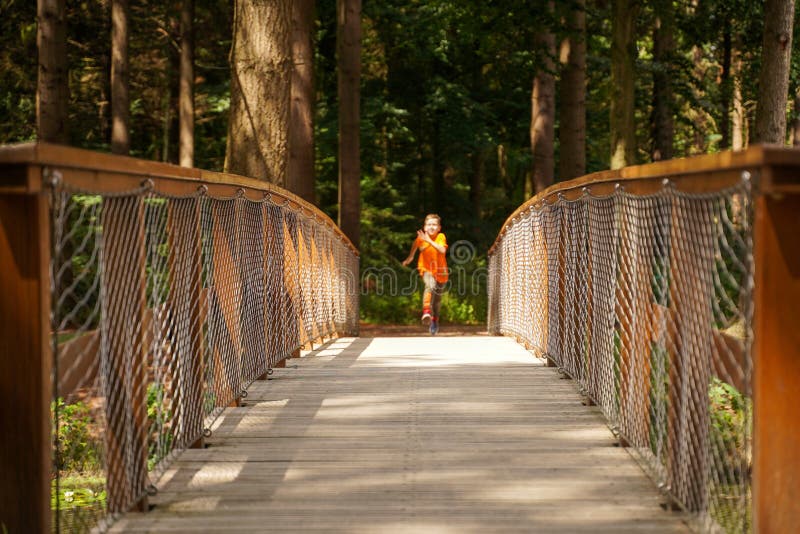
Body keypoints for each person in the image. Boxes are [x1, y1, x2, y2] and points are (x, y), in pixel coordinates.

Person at [402, 213, 448, 335]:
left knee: (437, 301)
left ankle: (435, 320)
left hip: (441, 272)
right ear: (424, 226)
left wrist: (429, 241)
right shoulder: (420, 239)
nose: (431, 227)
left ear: (439, 227)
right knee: (430, 285)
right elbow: (415, 245)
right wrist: (410, 257)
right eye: (429, 224)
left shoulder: (441, 237)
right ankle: (426, 311)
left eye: (434, 224)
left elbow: (442, 250)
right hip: (426, 269)